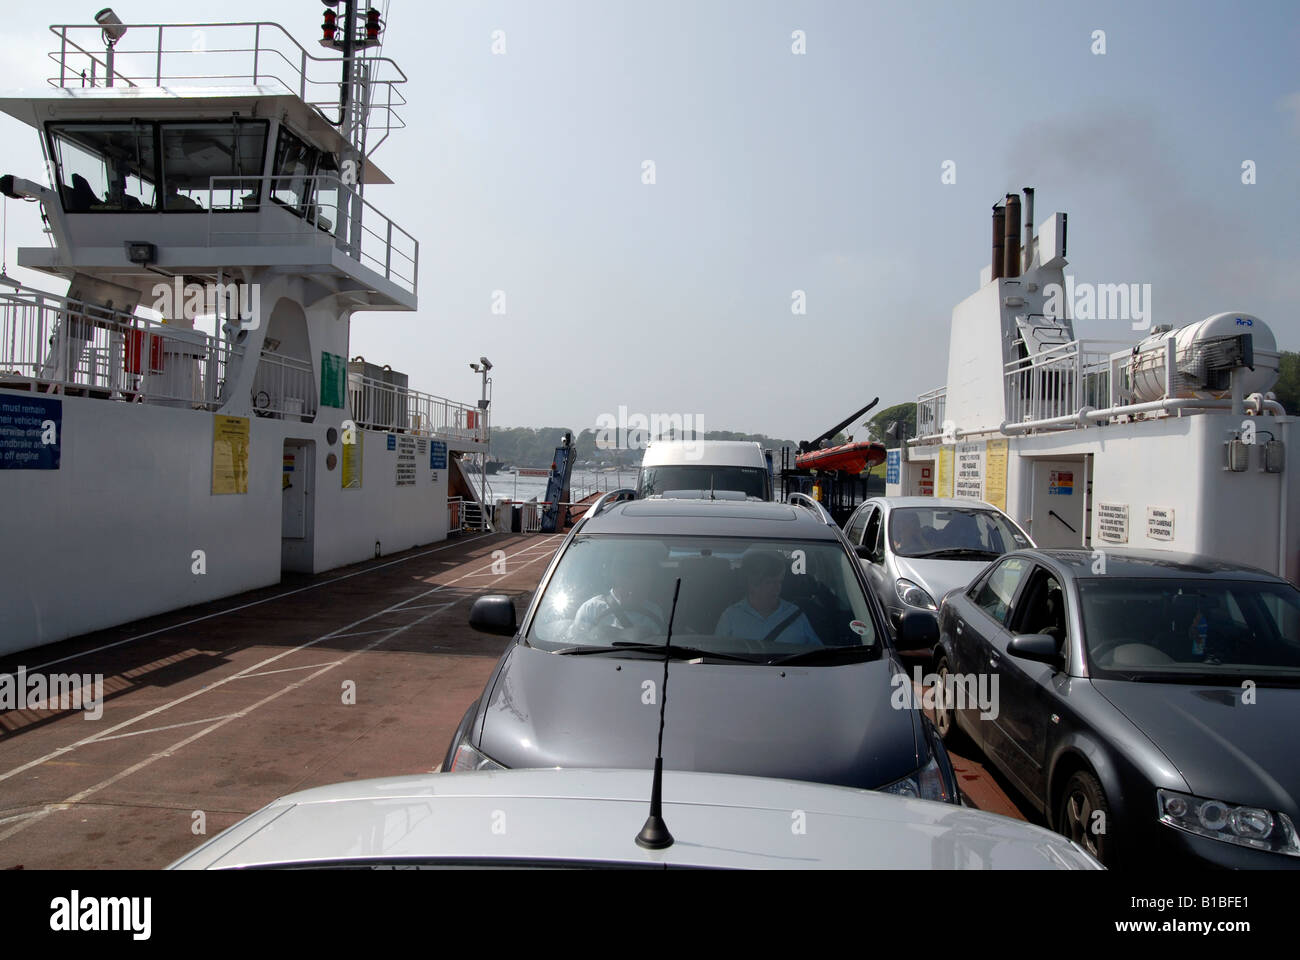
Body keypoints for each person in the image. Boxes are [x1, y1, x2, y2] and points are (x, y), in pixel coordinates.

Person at [715, 550, 819, 646]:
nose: (777, 588)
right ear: (752, 584)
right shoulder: (731, 617)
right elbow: (718, 654)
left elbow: (818, 653)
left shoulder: (795, 614)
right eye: (769, 582)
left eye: (779, 581)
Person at [572, 542, 666, 639]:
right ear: (612, 573)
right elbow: (576, 641)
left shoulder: (654, 611)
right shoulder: (591, 608)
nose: (631, 575)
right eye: (624, 568)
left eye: (639, 568)